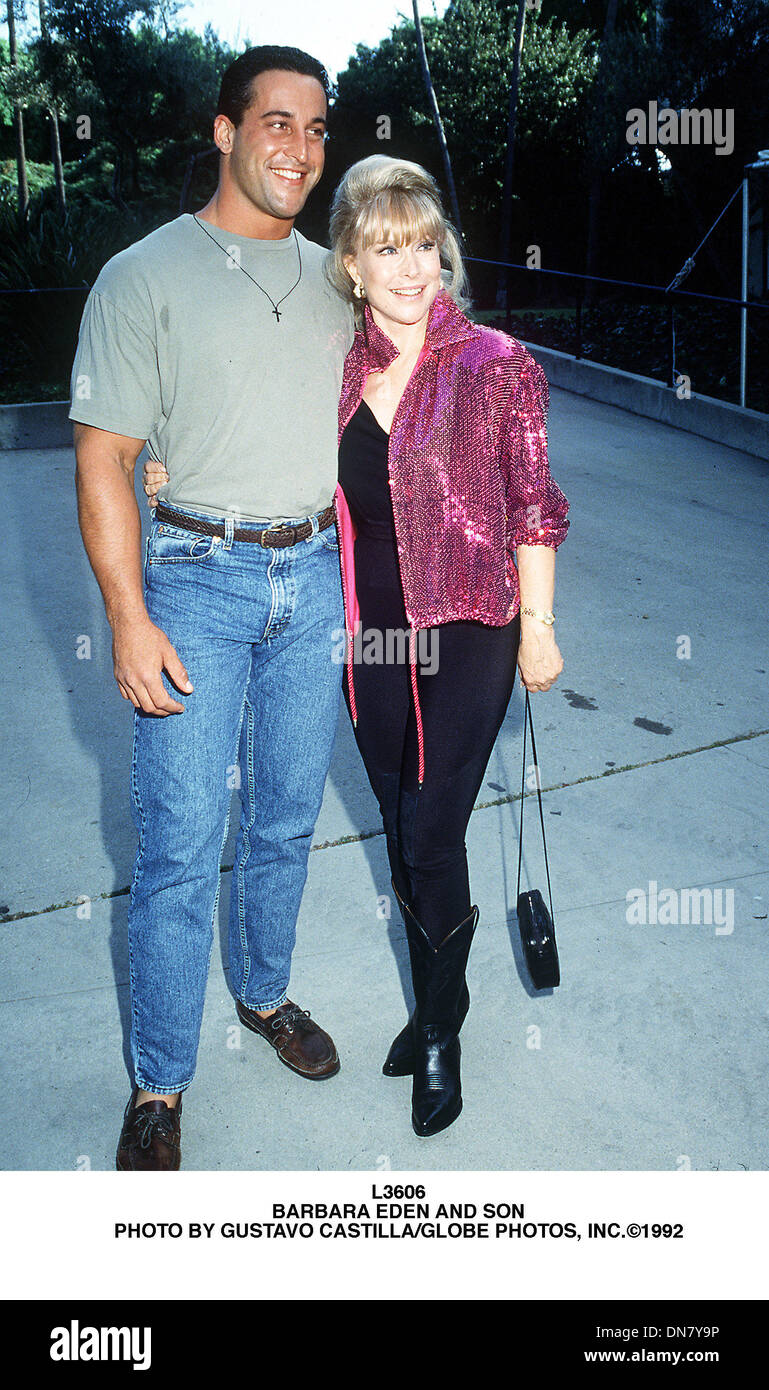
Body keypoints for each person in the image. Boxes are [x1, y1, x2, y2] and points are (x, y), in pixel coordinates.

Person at [145, 153, 570, 1140]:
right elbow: (230, 388)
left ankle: (439, 1034)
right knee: (396, 819)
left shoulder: (497, 367)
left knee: (430, 832)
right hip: (369, 635)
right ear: (350, 263)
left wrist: (539, 627)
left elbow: (533, 507)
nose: (412, 266)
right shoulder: (335, 364)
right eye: (387, 247)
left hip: (471, 626)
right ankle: (431, 998)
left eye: (425, 244)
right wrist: (166, 438)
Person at [71, 46, 355, 1170]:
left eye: (318, 127)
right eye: (277, 123)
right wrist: (128, 614)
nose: (300, 147)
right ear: (226, 134)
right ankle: (158, 1081)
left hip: (316, 575)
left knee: (286, 817)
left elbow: (419, 374)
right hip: (197, 575)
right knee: (183, 842)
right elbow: (105, 459)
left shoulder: (339, 279)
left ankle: (267, 995)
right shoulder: (143, 275)